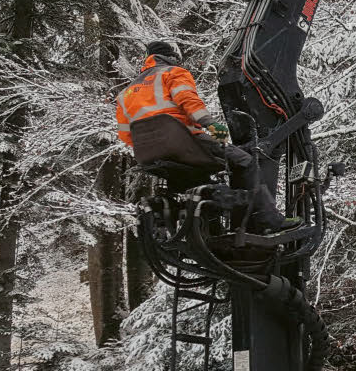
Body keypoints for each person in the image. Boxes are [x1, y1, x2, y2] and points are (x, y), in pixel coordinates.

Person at [115, 40, 288, 232]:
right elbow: (189, 103)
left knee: (197, 178)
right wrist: (211, 125)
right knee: (244, 160)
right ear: (171, 57)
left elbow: (125, 134)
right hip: (183, 143)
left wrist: (152, 143)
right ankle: (268, 220)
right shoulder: (173, 73)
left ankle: (206, 228)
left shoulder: (126, 92)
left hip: (148, 154)